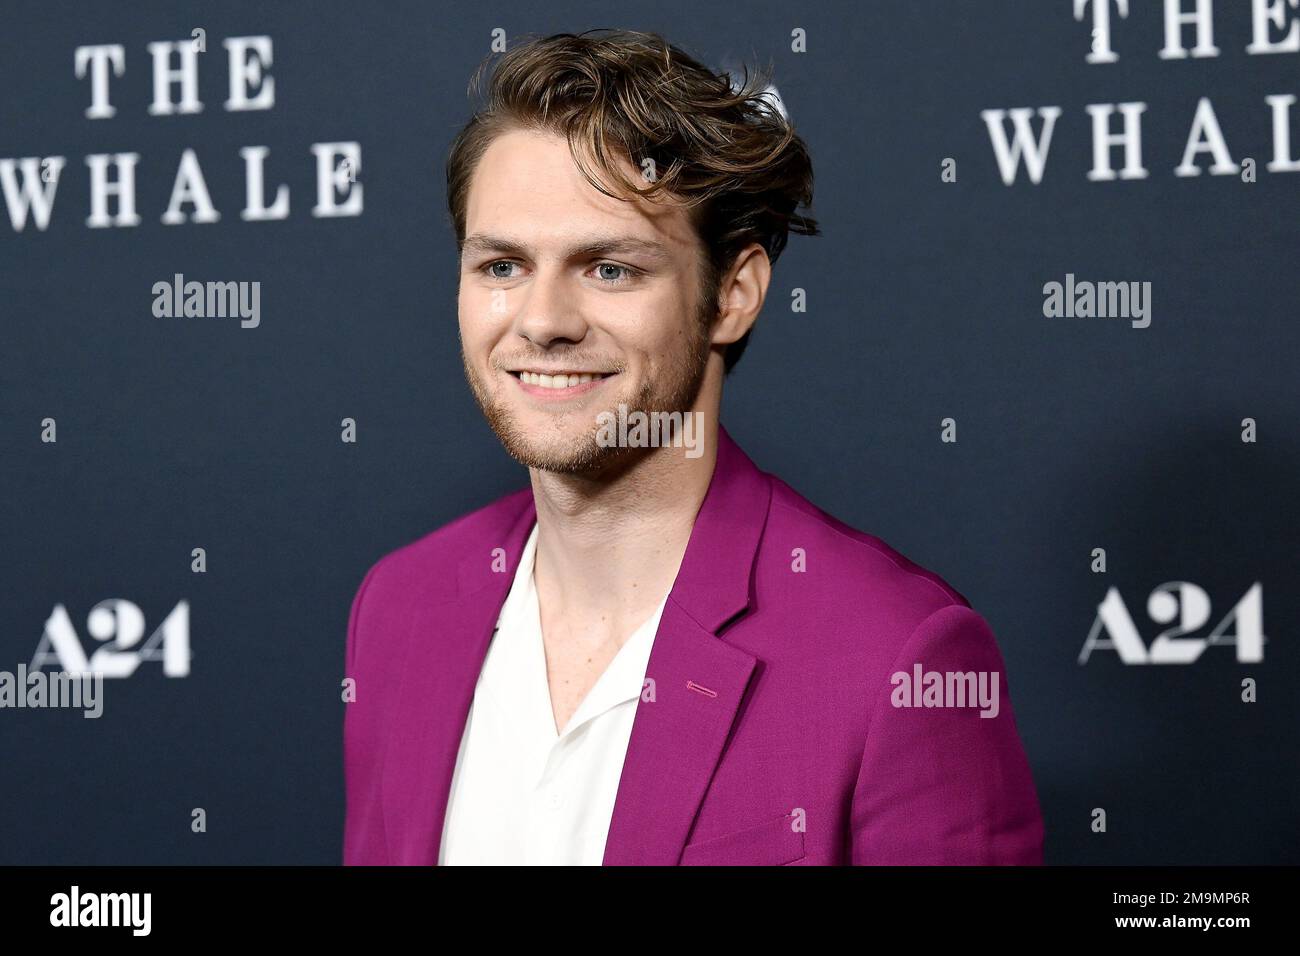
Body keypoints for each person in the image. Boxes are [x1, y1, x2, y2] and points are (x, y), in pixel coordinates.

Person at [343, 29, 1043, 865]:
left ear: (733, 295)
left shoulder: (897, 660)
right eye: (501, 266)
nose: (542, 321)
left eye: (609, 269)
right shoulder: (399, 608)